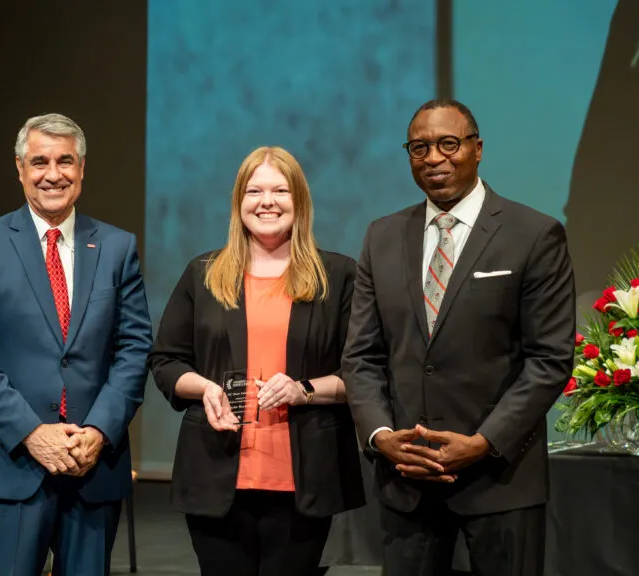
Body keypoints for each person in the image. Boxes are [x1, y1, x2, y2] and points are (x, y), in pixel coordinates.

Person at [342, 99, 576, 576]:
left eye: (449, 144)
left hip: (500, 480)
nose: (433, 158)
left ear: (478, 149)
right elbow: (362, 356)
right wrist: (381, 435)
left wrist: (484, 441)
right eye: (419, 147)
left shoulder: (534, 234)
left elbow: (549, 359)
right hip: (406, 480)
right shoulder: (381, 237)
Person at [0, 113, 153, 575]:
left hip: (92, 464)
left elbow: (135, 349)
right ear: (20, 169)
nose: (53, 174)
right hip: (10, 462)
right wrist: (32, 433)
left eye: (65, 161)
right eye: (39, 161)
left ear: (82, 169)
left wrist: (99, 431)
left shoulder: (118, 247)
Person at [149, 146, 364, 576]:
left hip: (304, 481)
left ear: (299, 201)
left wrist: (303, 390)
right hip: (216, 474)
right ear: (239, 203)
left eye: (280, 190)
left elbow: (362, 372)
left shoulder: (338, 276)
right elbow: (166, 360)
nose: (267, 201)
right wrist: (205, 387)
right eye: (255, 191)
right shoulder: (204, 273)